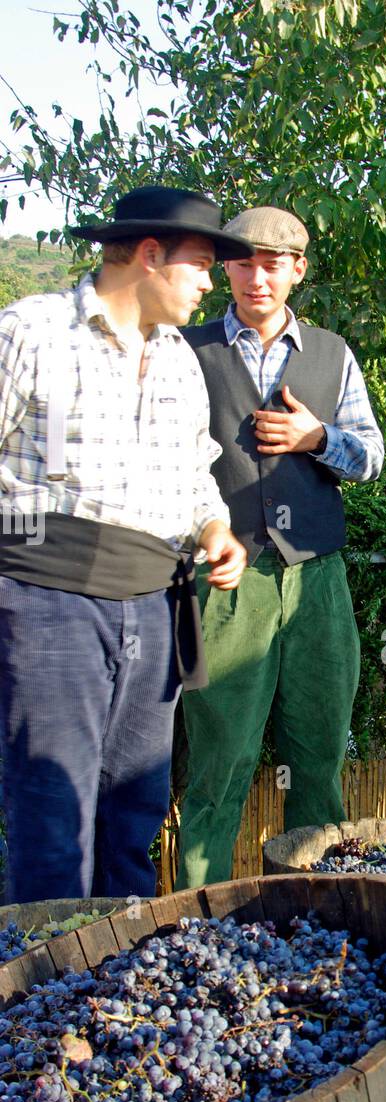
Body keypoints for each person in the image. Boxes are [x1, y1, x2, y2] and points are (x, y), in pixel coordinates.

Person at [0, 186, 251, 903]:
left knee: (133, 816)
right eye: (201, 265)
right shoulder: (32, 331)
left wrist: (214, 529)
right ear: (148, 257)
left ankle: (119, 997)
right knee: (53, 816)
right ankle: (39, 1003)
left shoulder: (178, 359)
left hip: (153, 605)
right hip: (47, 601)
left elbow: (195, 472)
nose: (210, 284)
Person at [175, 205, 384, 889]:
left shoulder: (332, 353)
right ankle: (197, 925)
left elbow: (373, 457)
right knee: (218, 769)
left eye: (273, 263)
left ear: (298, 270)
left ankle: (318, 915)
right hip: (227, 585)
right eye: (243, 260)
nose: (256, 276)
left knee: (319, 763)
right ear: (225, 266)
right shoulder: (188, 350)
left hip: (318, 581)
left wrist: (317, 439)